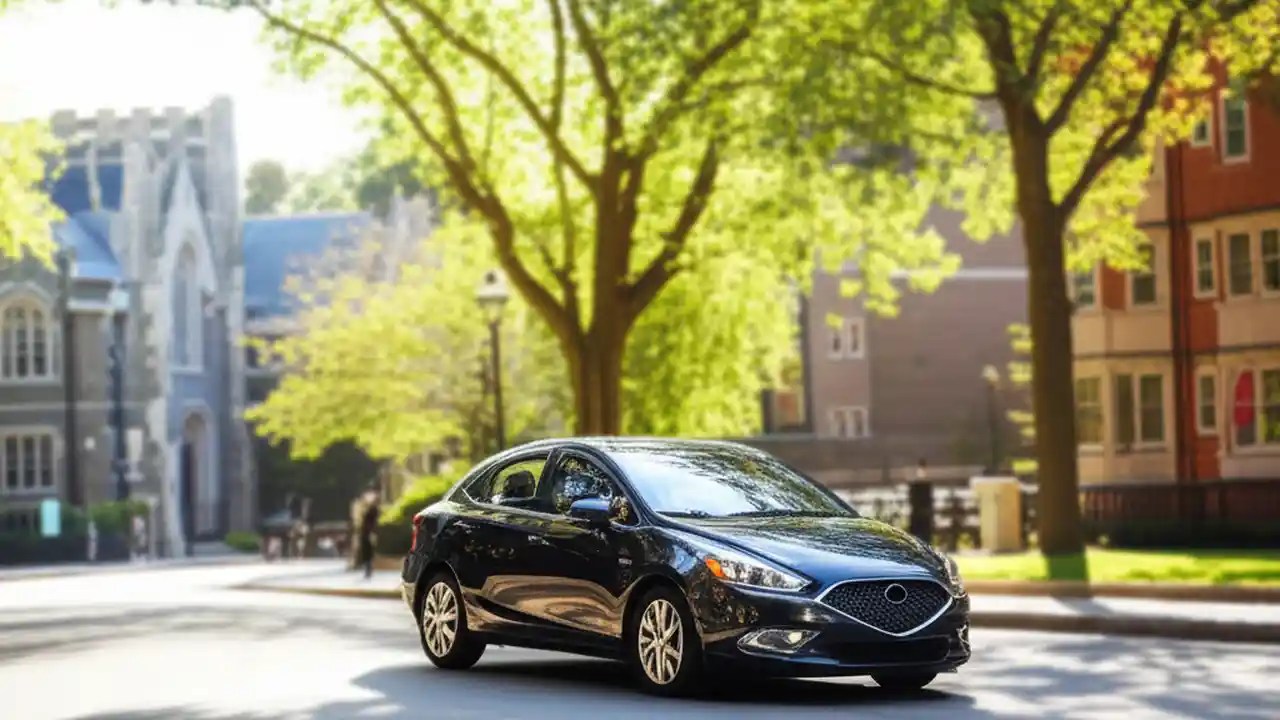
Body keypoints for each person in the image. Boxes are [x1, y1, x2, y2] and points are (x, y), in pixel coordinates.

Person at [357, 485, 381, 579]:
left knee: (368, 551)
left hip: (369, 533)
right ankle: (367, 569)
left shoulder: (373, 510)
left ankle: (369, 569)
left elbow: (373, 522)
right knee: (366, 551)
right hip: (365, 532)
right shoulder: (367, 509)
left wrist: (372, 532)